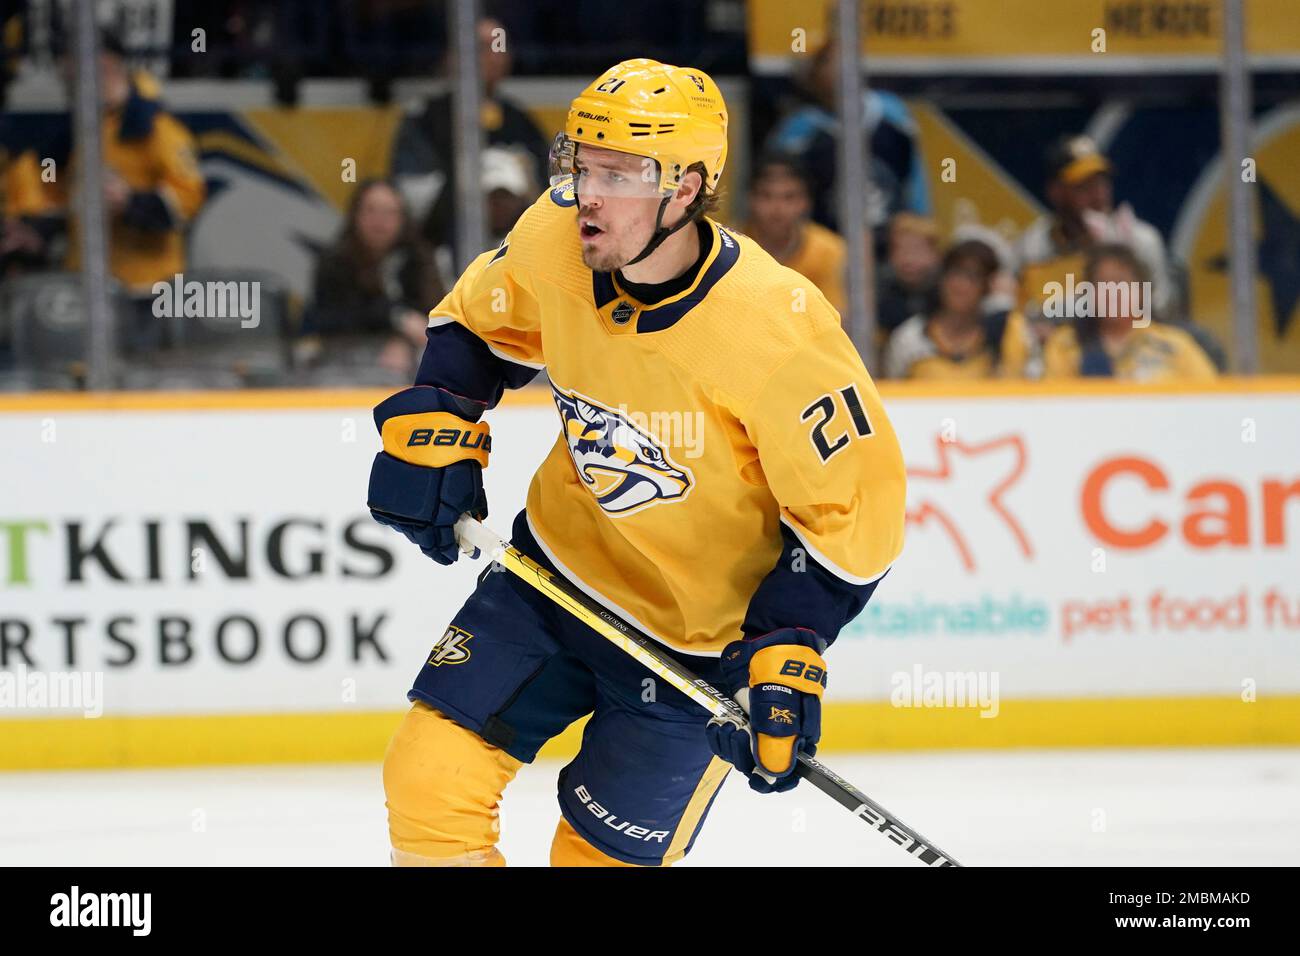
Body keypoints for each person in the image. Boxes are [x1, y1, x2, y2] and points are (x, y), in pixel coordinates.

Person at [370, 59, 906, 867]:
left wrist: (789, 643)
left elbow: (853, 517)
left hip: (692, 649)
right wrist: (442, 411)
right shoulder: (554, 237)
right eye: (580, 163)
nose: (587, 191)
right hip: (553, 584)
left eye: (618, 174)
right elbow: (482, 325)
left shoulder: (777, 328)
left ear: (687, 189)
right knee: (427, 784)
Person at [4, 30, 205, 291]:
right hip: (86, 287)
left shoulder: (155, 126)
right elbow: (64, 198)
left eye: (70, 75)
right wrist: (38, 230)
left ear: (104, 65)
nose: (65, 82)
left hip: (144, 289)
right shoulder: (86, 129)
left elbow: (190, 199)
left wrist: (132, 202)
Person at [388, 15, 549, 254]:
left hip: (517, 251)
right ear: (453, 57)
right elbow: (413, 197)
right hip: (443, 250)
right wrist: (468, 188)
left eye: (500, 46)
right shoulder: (425, 118)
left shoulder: (519, 119)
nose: (493, 55)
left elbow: (548, 192)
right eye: (483, 47)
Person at [1017, 134, 1172, 325]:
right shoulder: (1032, 245)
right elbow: (1024, 319)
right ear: (1055, 192)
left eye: (1101, 182)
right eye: (1083, 187)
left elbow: (1159, 310)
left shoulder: (1140, 239)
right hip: (1055, 350)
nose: (1098, 194)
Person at [298, 178, 443, 378]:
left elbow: (434, 317)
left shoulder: (418, 260)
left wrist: (404, 341)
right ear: (355, 215)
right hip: (343, 369)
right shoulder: (334, 263)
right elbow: (331, 320)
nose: (379, 221)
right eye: (371, 210)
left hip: (412, 371)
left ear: (403, 219)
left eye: (389, 213)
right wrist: (397, 318)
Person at [1042, 244, 1216, 382]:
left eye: (1120, 282)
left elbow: (1209, 400)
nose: (1112, 291)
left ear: (1142, 290)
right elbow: (1053, 405)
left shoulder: (1175, 345)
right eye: (1102, 283)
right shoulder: (1065, 345)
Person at [884, 239, 1034, 380]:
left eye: (973, 276)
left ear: (988, 285)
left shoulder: (1007, 334)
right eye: (954, 273)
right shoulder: (909, 337)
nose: (960, 285)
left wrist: (1004, 307)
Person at [742, 154, 845, 314]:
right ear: (750, 200)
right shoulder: (728, 247)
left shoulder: (830, 251)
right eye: (766, 196)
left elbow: (834, 318)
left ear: (806, 202)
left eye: (789, 197)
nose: (777, 208)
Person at [875, 212, 941, 339]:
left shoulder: (948, 294)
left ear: (935, 254)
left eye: (916, 249)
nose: (908, 258)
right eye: (900, 249)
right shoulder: (879, 292)